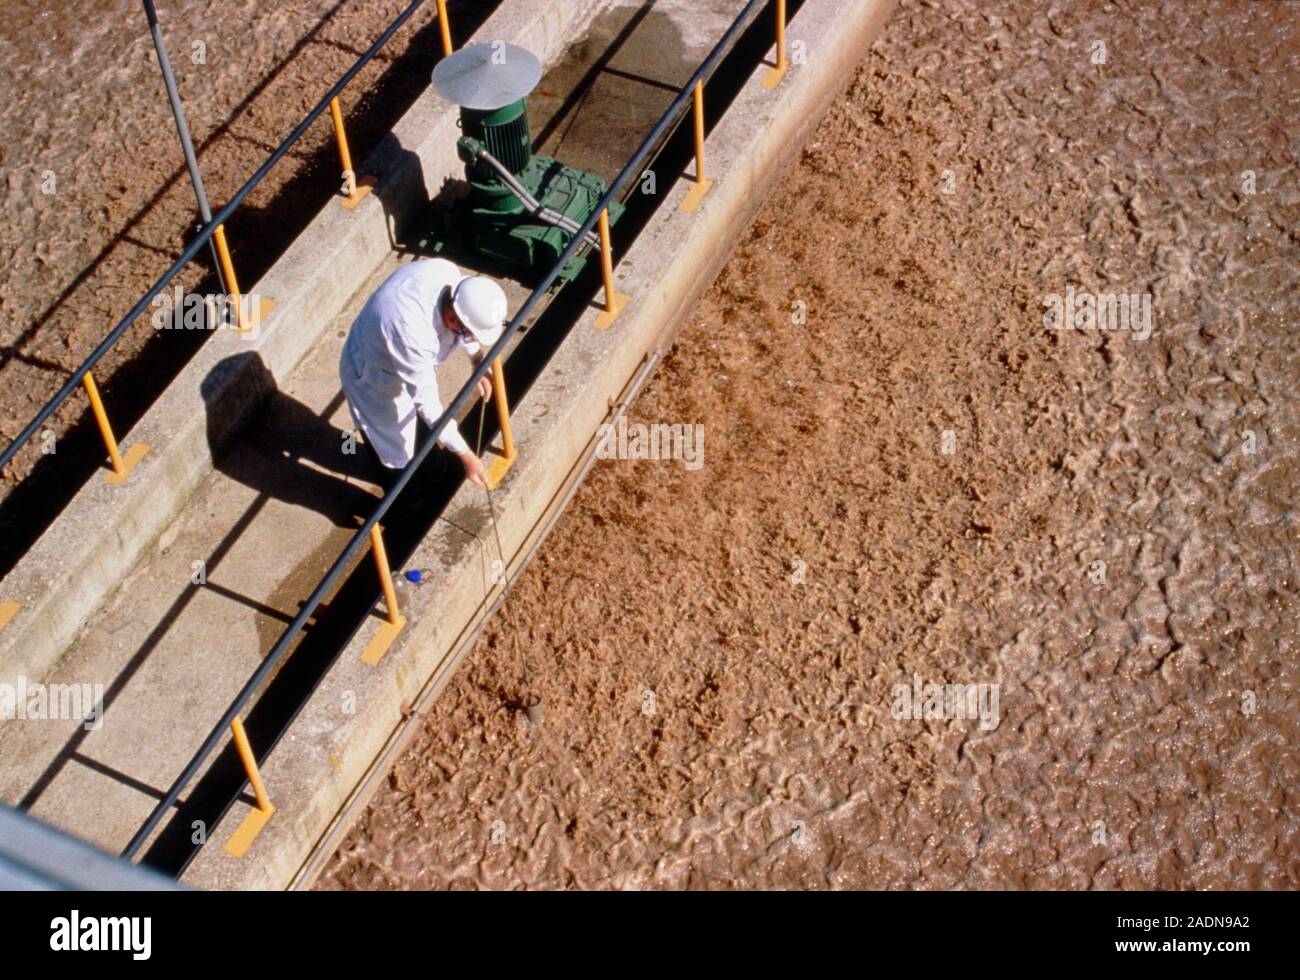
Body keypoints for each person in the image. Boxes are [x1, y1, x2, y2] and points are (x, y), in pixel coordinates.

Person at [340, 258, 507, 493]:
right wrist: (466, 455)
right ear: (451, 319)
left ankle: (434, 474)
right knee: (395, 455)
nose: (469, 338)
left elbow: (463, 329)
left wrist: (477, 360)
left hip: (400, 363)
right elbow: (426, 401)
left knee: (421, 435)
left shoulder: (447, 276)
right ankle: (404, 502)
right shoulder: (411, 332)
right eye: (469, 334)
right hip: (375, 380)